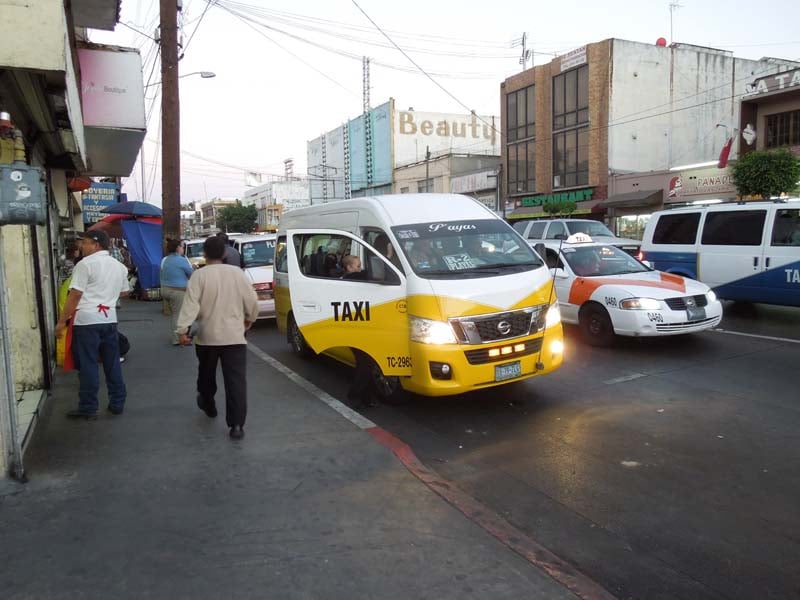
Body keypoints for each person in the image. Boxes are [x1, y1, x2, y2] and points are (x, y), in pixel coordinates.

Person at [176, 236, 259, 440]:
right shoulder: (237, 274)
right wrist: (249, 319)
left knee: (206, 374)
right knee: (236, 382)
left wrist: (182, 330)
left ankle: (207, 401)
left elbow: (190, 305)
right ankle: (237, 425)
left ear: (204, 254)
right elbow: (252, 301)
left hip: (207, 337)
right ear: (224, 254)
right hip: (234, 338)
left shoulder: (199, 276)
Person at [55, 230, 130, 419]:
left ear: (96, 245)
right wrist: (106, 296)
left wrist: (62, 321)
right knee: (112, 362)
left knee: (88, 364)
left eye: (85, 243)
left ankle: (88, 407)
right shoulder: (119, 266)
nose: (82, 246)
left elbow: (75, 295)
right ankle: (117, 402)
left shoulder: (85, 265)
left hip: (87, 320)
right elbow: (124, 292)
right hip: (109, 318)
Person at [160, 238, 194, 345]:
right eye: (182, 247)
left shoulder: (165, 259)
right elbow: (191, 275)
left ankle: (180, 336)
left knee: (175, 313)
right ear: (178, 248)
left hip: (165, 289)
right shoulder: (182, 260)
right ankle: (177, 339)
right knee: (178, 315)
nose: (183, 249)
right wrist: (193, 268)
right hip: (177, 291)